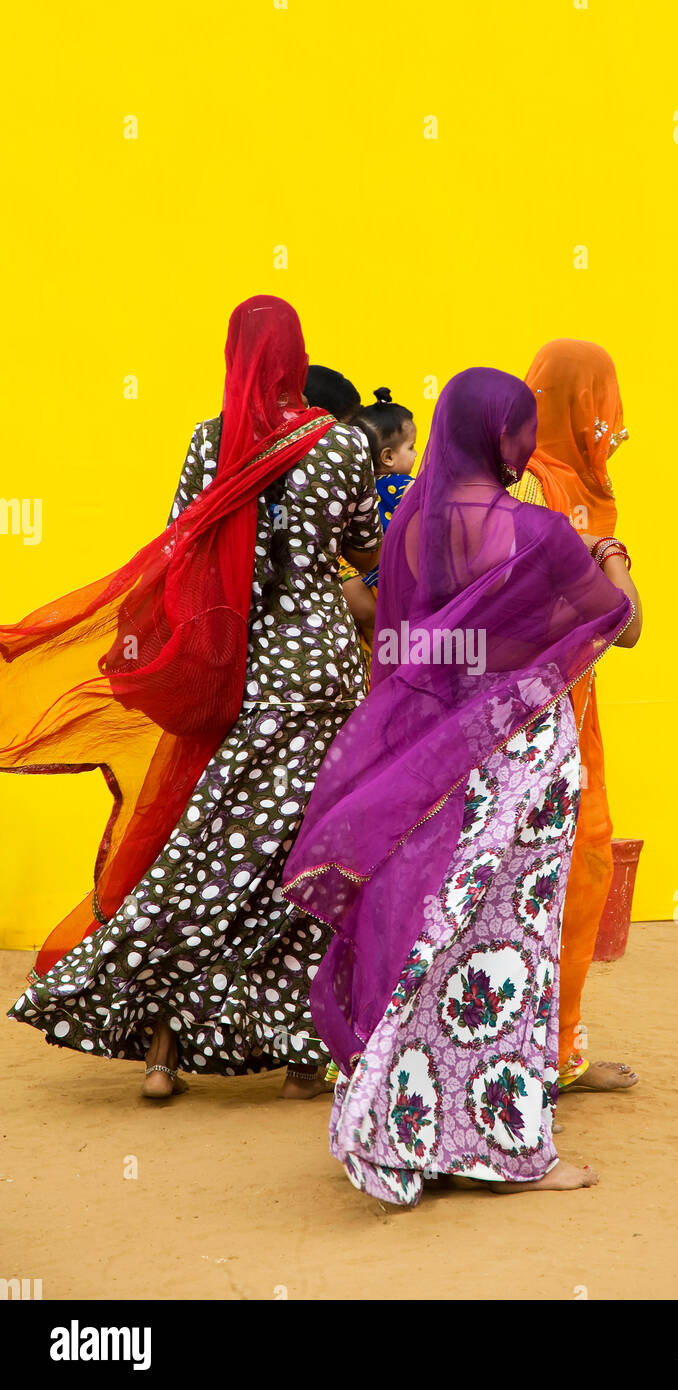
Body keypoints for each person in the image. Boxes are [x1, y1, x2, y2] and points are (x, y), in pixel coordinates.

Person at [2, 296, 382, 1100]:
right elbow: (361, 547)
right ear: (296, 355)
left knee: (202, 850)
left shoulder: (209, 442)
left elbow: (180, 549)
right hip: (319, 666)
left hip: (233, 671)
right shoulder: (344, 444)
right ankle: (304, 1059)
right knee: (318, 852)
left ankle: (162, 1055)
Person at [280, 367, 642, 1207]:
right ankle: (511, 1145)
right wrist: (613, 559)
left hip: (441, 757)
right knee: (511, 945)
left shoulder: (411, 527)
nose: (527, 445)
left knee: (437, 927)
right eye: (521, 431)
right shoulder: (541, 534)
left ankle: (402, 1113)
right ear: (502, 438)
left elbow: (417, 644)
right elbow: (619, 627)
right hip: (522, 756)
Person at [512, 338, 640, 1093]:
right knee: (532, 875)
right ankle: (515, 1053)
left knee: (584, 865)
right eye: (605, 403)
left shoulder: (584, 487)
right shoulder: (529, 483)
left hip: (576, 711)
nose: (616, 425)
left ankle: (560, 1046)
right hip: (528, 721)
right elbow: (608, 620)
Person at [340, 387, 417, 658]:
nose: (416, 454)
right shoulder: (407, 486)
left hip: (362, 584)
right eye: (411, 447)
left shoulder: (354, 487)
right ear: (388, 457)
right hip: (398, 585)